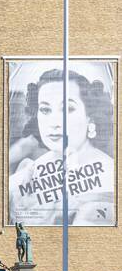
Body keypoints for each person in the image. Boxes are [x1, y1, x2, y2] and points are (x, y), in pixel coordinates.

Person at [9, 67, 115, 226]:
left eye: (67, 108)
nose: (54, 122)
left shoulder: (109, 176)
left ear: (90, 117)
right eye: (45, 109)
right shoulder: (27, 171)